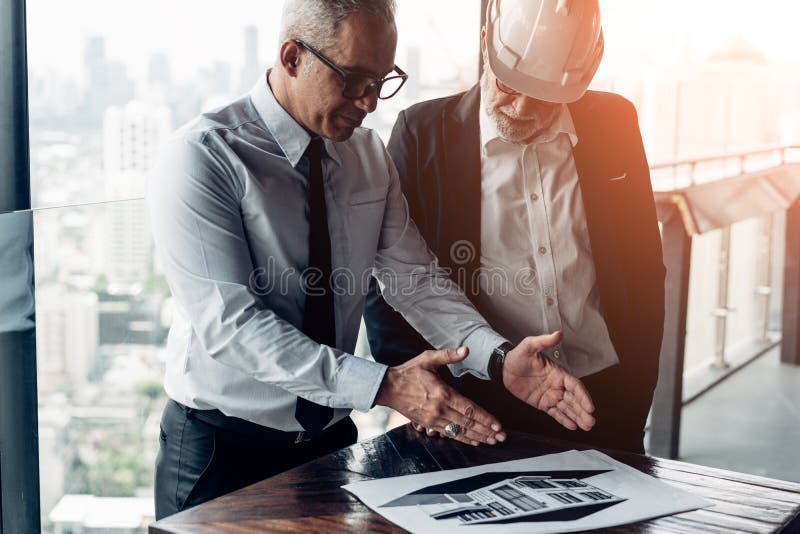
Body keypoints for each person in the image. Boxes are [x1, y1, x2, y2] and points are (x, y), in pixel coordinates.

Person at [148, 0, 596, 519]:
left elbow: (416, 282)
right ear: (292, 57)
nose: (369, 102)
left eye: (382, 81)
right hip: (222, 452)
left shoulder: (366, 155)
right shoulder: (204, 155)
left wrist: (498, 359)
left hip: (330, 446)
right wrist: (385, 385)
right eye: (354, 79)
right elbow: (232, 327)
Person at [365, 0, 665, 454]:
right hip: (480, 405)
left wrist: (637, 390)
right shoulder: (421, 132)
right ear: (486, 44)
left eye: (544, 96)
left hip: (606, 397)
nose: (523, 107)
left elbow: (644, 265)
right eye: (510, 86)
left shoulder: (615, 122)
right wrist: (422, 393)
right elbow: (388, 277)